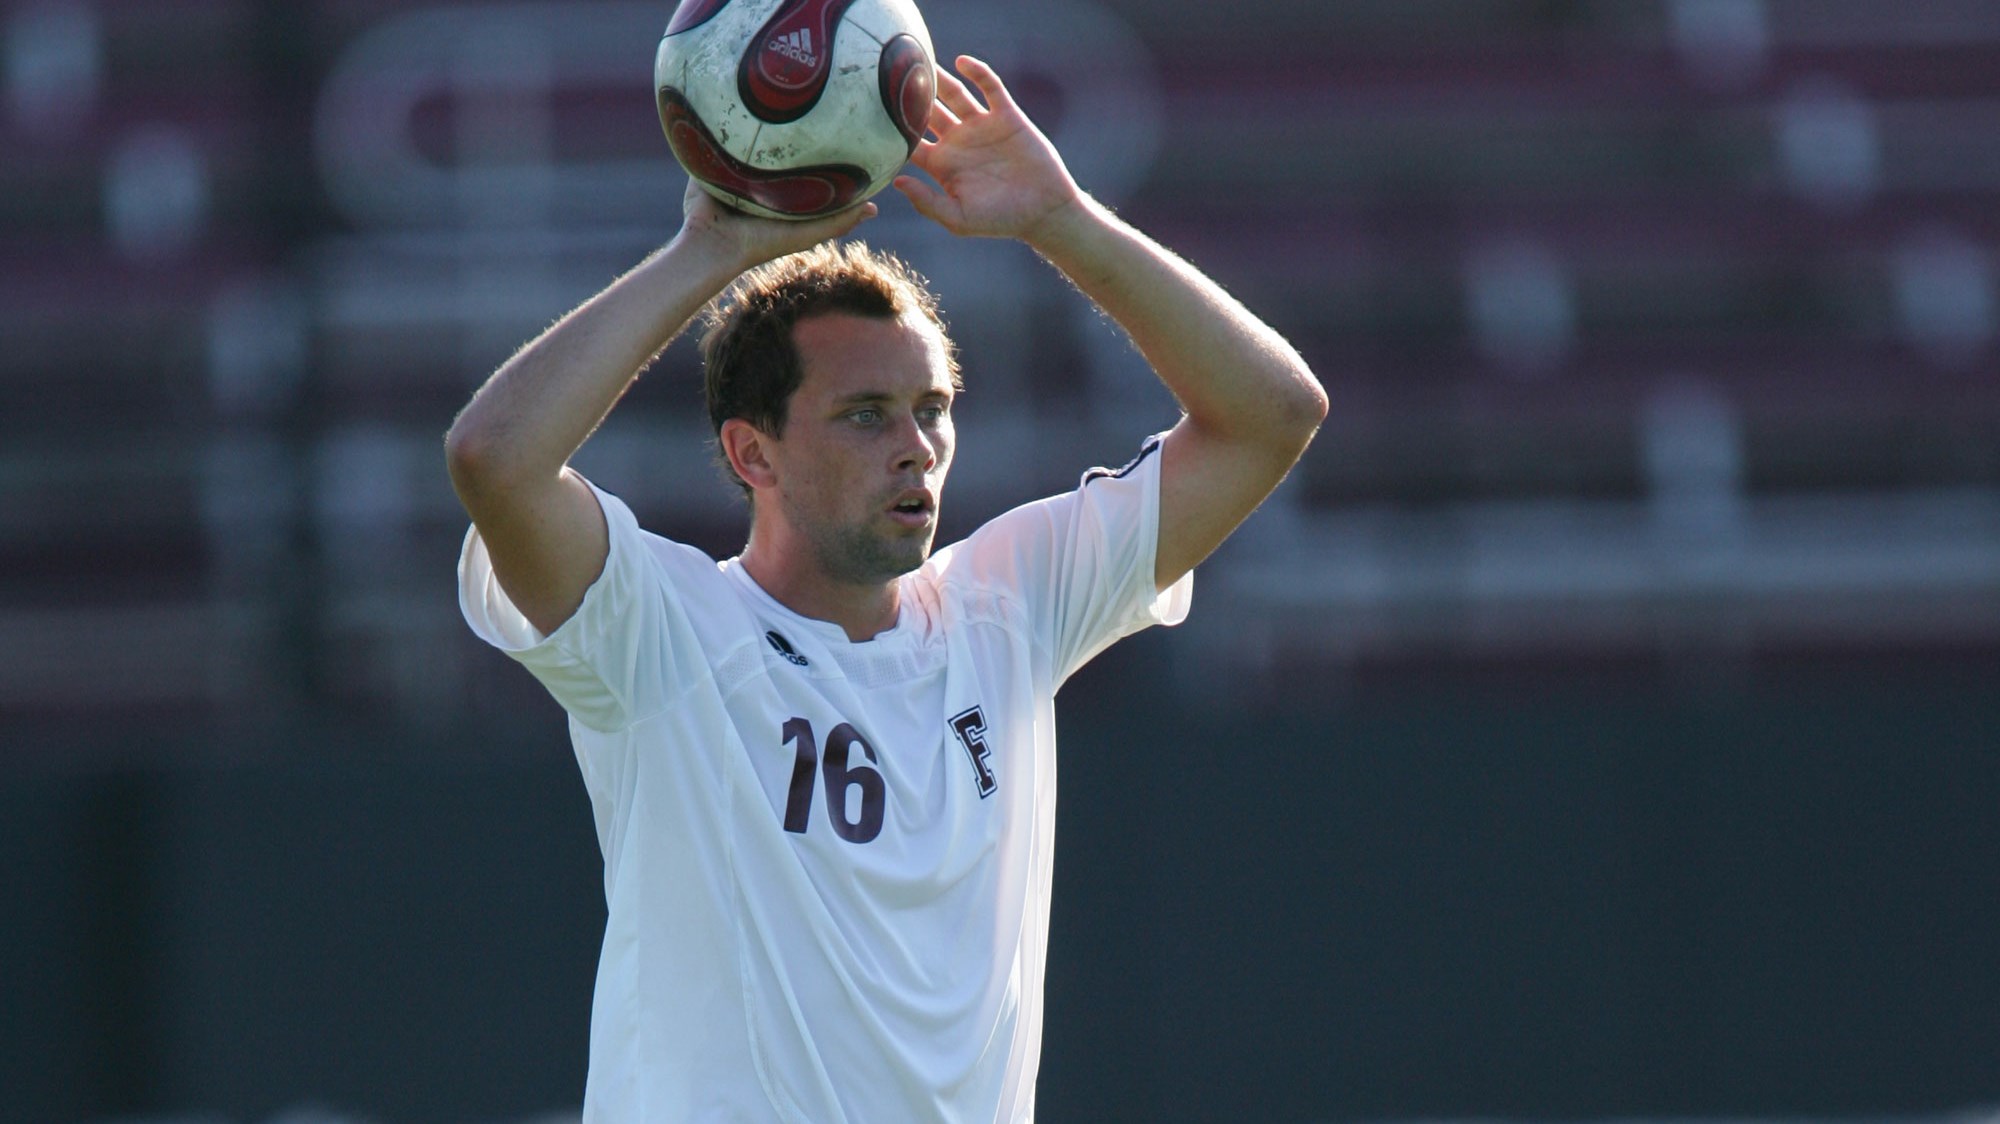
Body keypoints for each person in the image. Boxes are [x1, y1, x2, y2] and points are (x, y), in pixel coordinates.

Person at [446, 54, 1325, 1123]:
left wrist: (1062, 218)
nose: (915, 446)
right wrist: (704, 254)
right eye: (865, 413)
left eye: (932, 407)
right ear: (751, 451)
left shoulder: (1007, 605)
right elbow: (494, 455)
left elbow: (1273, 414)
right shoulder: (665, 632)